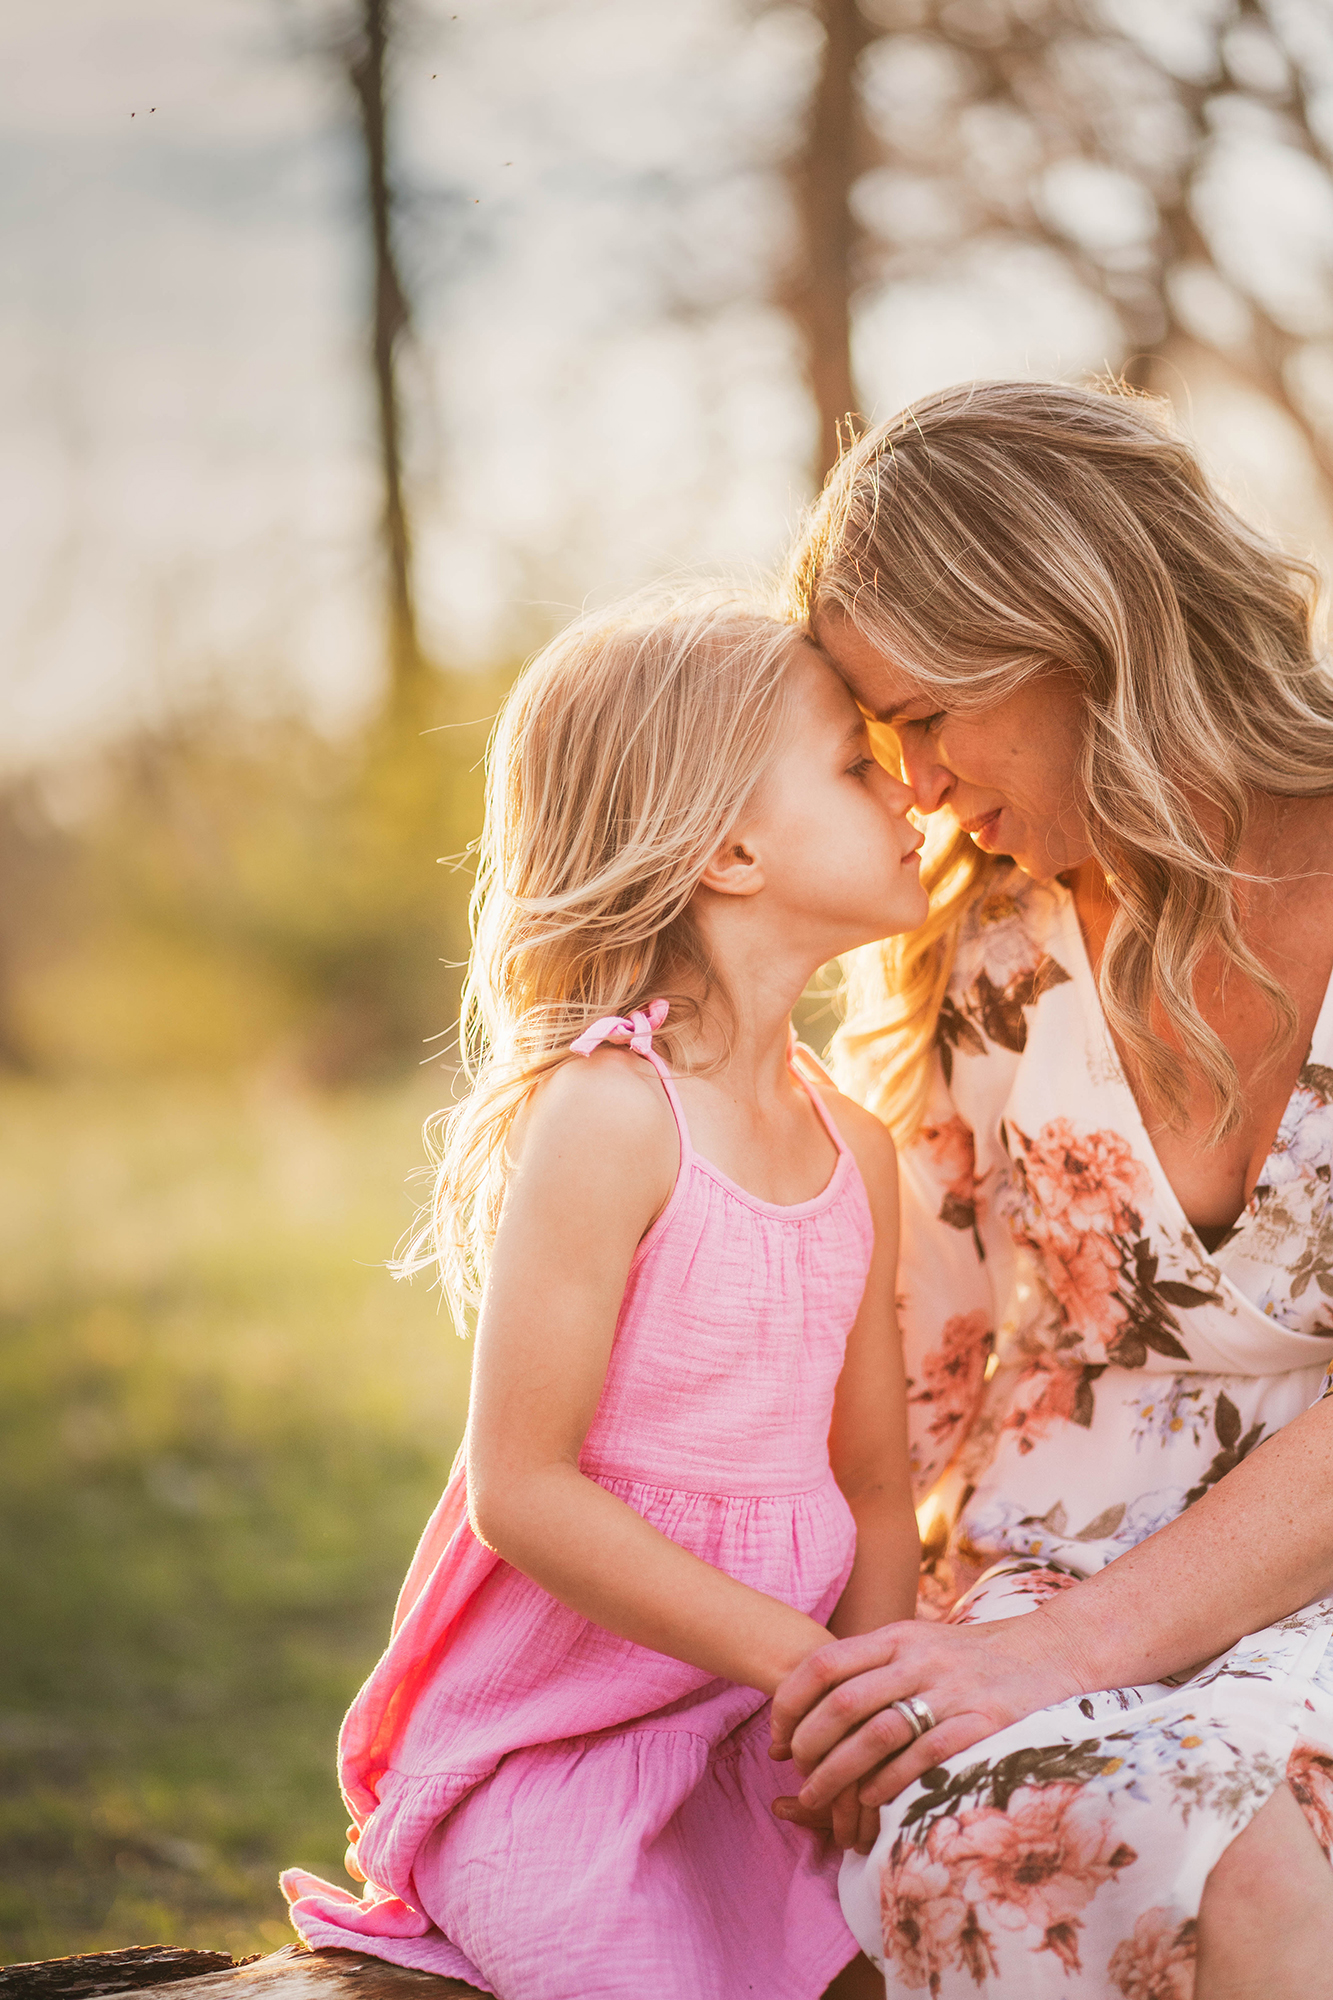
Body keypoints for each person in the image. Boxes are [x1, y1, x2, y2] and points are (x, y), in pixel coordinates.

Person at [767, 379, 1333, 1998]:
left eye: (927, 714)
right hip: (1051, 1554)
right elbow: (906, 1374)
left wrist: (1075, 1650)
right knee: (1021, 1831)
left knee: (1241, 1845)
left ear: (1082, 629)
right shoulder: (983, 949)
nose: (916, 783)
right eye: (880, 740)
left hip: (1234, 1588)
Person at [280, 593, 926, 1999]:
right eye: (856, 764)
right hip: (564, 1749)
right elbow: (522, 1487)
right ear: (730, 851)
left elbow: (876, 1483)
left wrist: (866, 1715)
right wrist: (800, 1663)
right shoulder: (614, 1118)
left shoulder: (858, 1149)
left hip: (767, 1735)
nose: (908, 792)